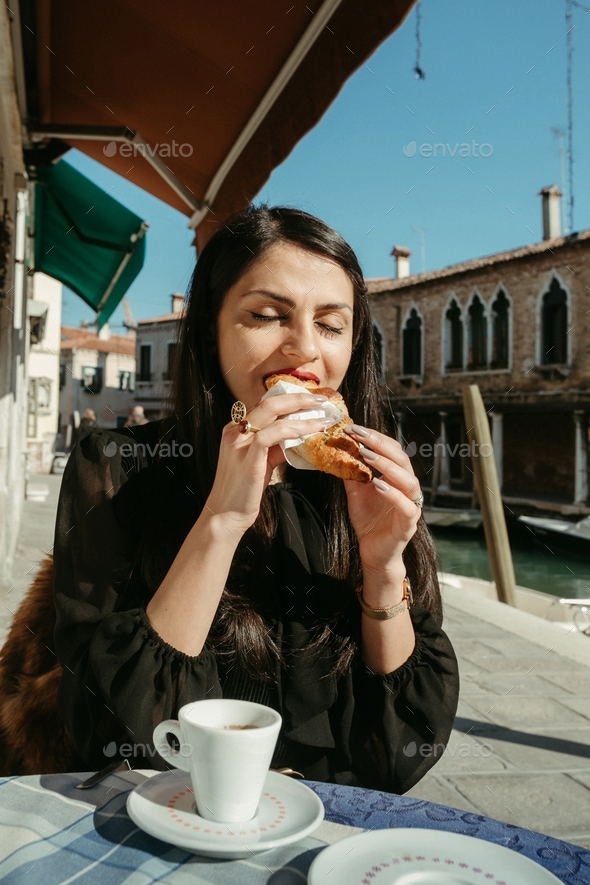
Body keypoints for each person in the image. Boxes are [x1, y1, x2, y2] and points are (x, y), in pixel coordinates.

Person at [53, 206, 459, 793]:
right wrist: (221, 520)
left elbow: (397, 754)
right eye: (266, 316)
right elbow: (107, 728)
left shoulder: (364, 486)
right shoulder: (118, 468)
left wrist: (382, 565)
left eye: (331, 324)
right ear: (209, 333)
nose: (304, 350)